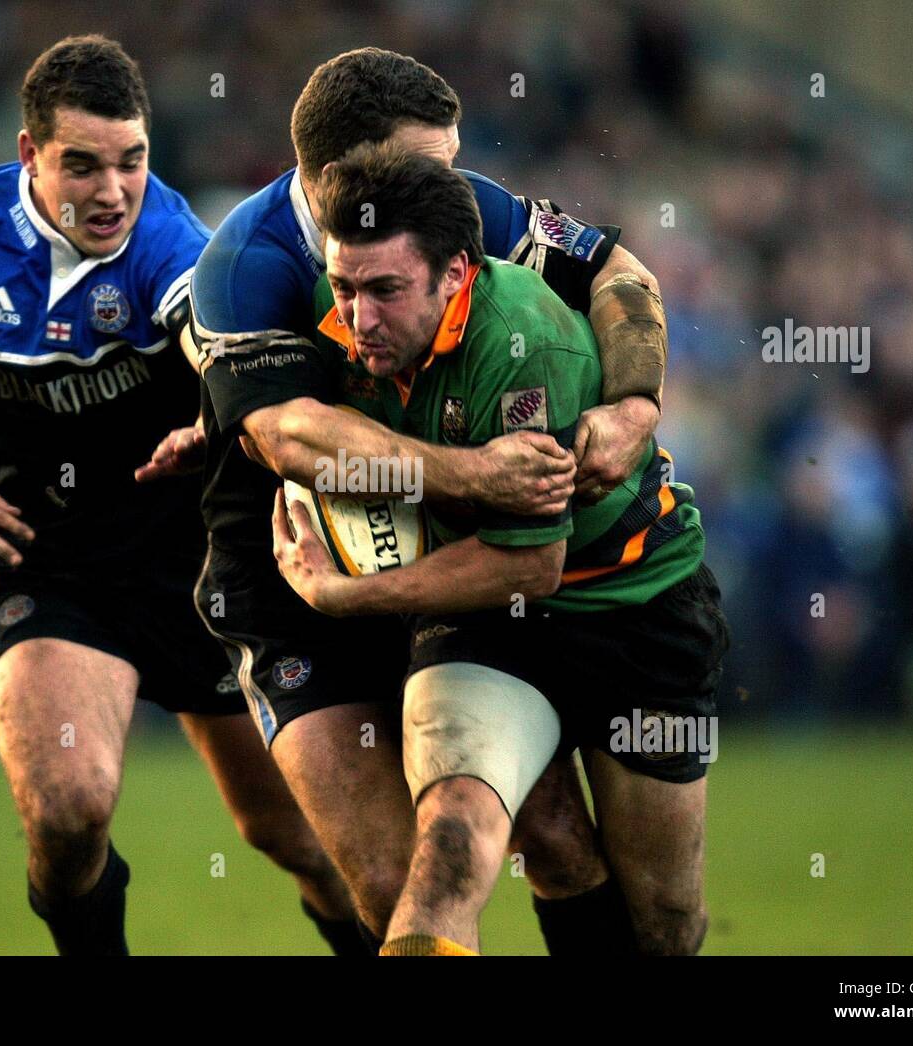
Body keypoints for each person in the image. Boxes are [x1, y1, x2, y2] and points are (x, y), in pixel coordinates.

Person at [0, 34, 361, 957]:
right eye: (84, 164)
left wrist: (226, 419)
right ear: (30, 155)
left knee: (296, 836)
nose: (112, 190)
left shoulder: (172, 243)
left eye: (132, 161)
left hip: (200, 565)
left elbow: (222, 355)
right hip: (50, 563)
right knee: (67, 815)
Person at [144, 48, 669, 952]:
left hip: (440, 561)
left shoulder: (448, 216)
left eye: (454, 160)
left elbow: (621, 274)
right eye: (433, 165)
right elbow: (295, 442)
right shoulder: (244, 263)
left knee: (546, 831)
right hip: (291, 581)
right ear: (345, 179)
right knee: (388, 883)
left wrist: (632, 405)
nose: (456, 184)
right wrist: (476, 474)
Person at [273, 145, 730, 955]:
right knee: (455, 835)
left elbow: (533, 563)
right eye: (345, 288)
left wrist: (347, 598)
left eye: (384, 291)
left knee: (665, 920)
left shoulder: (525, 348)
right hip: (486, 615)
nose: (358, 316)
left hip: (635, 605)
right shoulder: (335, 316)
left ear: (455, 275)